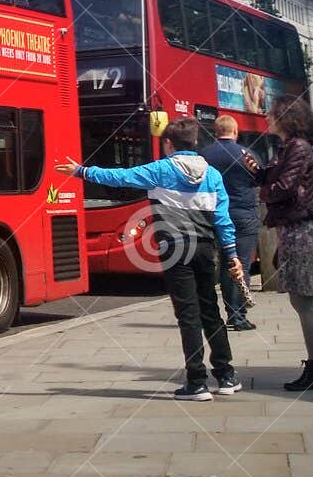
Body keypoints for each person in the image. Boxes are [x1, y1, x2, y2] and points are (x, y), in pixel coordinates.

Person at [58, 116, 244, 402]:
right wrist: (232, 254)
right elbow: (223, 219)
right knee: (211, 310)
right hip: (206, 249)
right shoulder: (213, 175)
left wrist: (81, 171)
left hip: (175, 249)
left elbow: (120, 176)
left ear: (168, 143)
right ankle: (226, 375)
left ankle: (196, 382)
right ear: (194, 143)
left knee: (188, 316)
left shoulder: (160, 169)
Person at [261, 94, 313, 391]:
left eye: (272, 115)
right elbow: (278, 179)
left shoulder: (296, 147)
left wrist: (264, 191)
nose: (268, 119)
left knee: (302, 299)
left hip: (298, 229)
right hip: (302, 228)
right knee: (312, 300)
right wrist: (259, 173)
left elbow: (284, 187)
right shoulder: (294, 147)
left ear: (286, 118)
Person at [199, 115, 263, 332]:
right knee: (239, 265)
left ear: (216, 132)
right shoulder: (247, 154)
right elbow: (259, 179)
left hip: (215, 215)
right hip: (244, 214)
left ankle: (218, 312)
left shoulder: (204, 155)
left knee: (221, 263)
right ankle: (237, 315)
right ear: (235, 132)